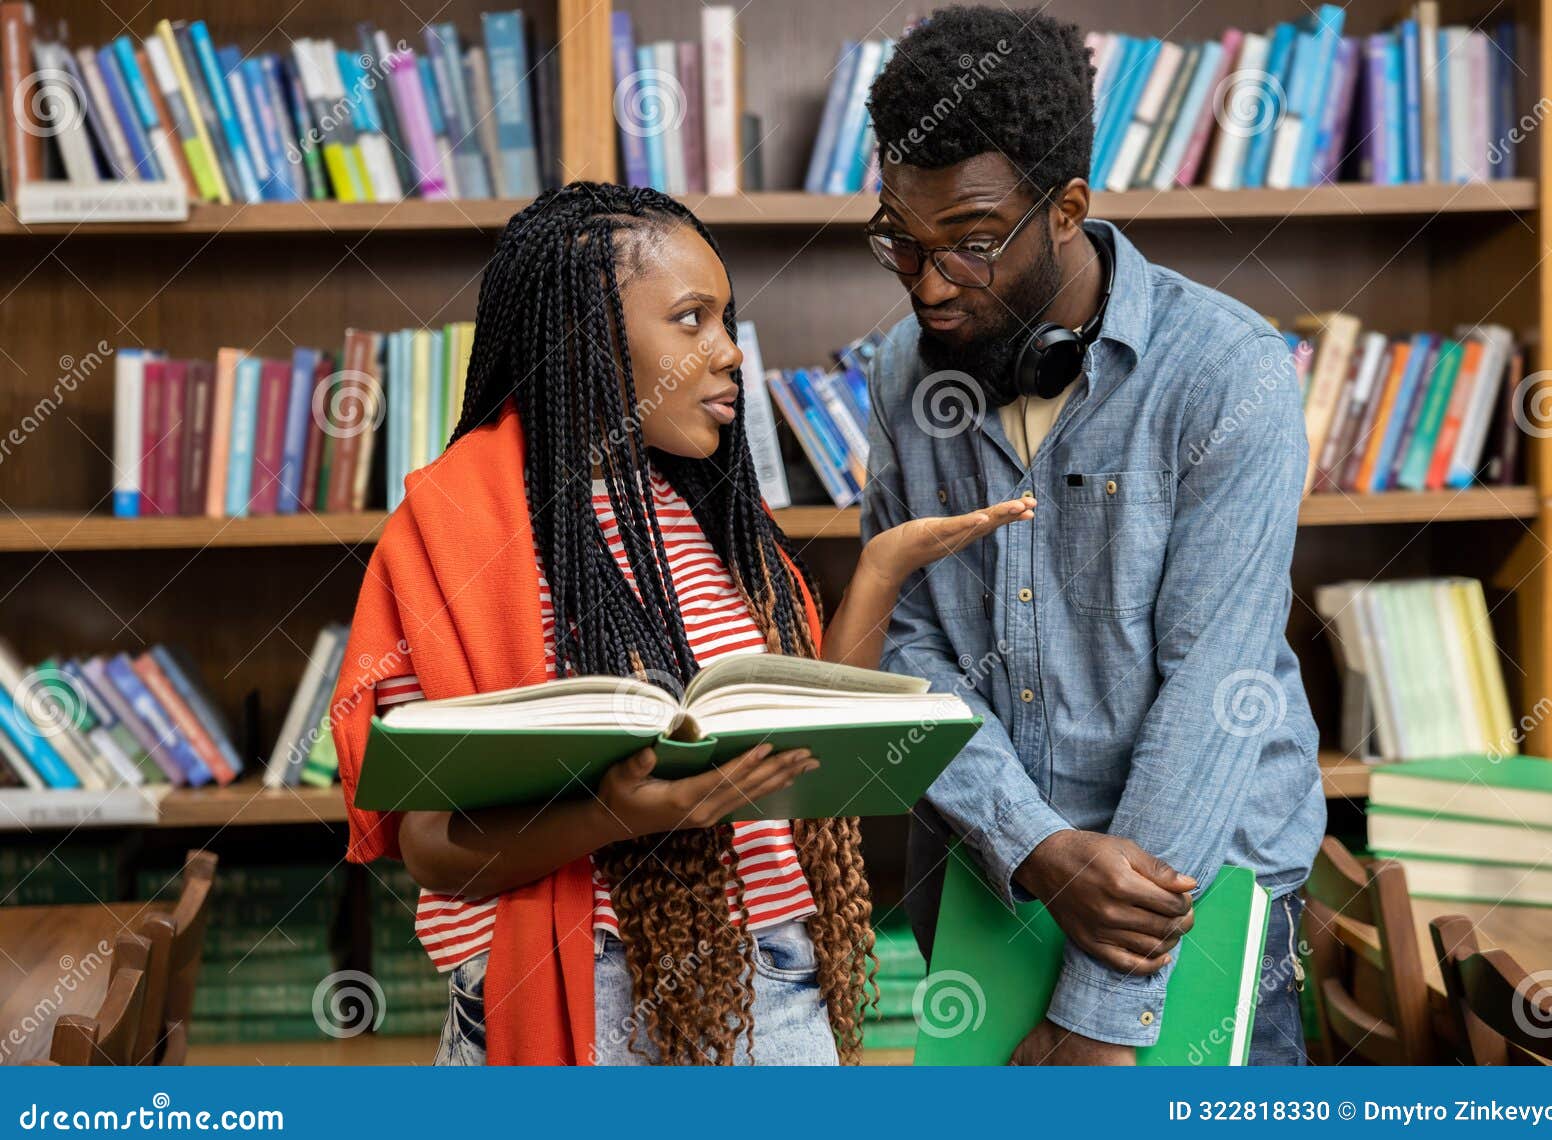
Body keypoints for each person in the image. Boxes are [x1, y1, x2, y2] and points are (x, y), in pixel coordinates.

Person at [329, 182, 1033, 1067]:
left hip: (773, 988)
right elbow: (434, 851)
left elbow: (820, 772)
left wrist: (884, 568)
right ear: (582, 333)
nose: (731, 352)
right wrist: (613, 816)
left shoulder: (708, 515)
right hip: (585, 997)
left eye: (727, 319)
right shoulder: (456, 531)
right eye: (692, 319)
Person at [859, 6, 1326, 1065]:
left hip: (1199, 908)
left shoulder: (1227, 376)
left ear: (1065, 208)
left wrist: (1097, 1014)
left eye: (971, 244)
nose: (927, 287)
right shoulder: (898, 373)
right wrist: (1038, 847)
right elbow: (909, 644)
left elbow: (1216, 687)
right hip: (987, 892)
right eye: (899, 238)